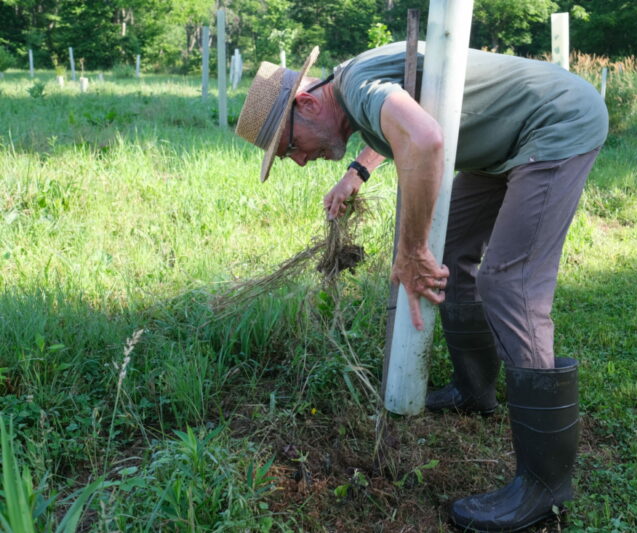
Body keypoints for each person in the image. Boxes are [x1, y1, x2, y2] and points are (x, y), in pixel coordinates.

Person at [235, 42, 608, 532]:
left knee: (510, 283)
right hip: (506, 141)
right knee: (452, 252)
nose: (299, 161)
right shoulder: (353, 86)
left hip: (554, 122)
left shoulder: (357, 85)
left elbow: (426, 141)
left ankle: (545, 486)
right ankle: (476, 390)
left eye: (288, 148)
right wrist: (357, 171)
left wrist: (410, 253)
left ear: (306, 105)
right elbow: (398, 120)